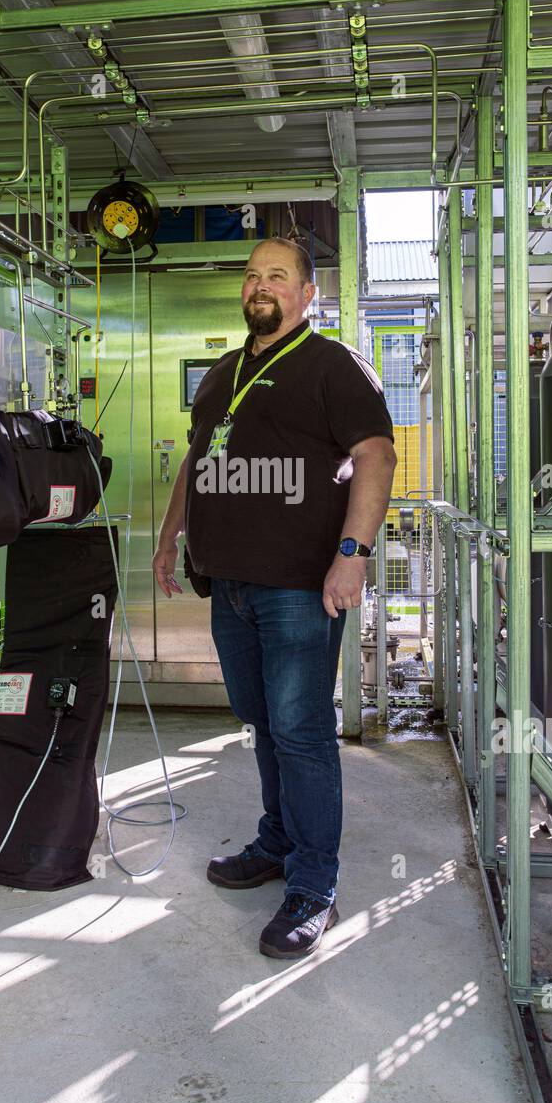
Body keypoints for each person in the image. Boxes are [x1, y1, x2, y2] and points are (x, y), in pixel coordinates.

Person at [153, 236, 396, 959]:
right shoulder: (223, 373)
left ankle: (313, 883)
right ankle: (277, 839)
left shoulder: (334, 366)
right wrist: (171, 538)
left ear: (306, 294)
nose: (262, 285)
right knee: (262, 720)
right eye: (253, 275)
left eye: (278, 276)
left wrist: (352, 556)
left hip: (299, 586)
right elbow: (199, 458)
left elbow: (377, 456)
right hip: (228, 583)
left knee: (301, 731)